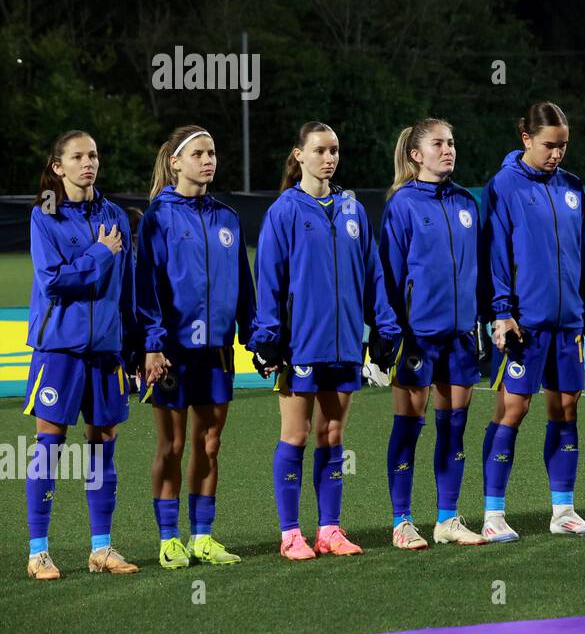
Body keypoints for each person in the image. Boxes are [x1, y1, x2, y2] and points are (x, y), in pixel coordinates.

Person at [251, 121, 402, 560]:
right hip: (301, 345)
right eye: (319, 150)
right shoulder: (284, 211)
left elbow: (373, 274)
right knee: (295, 435)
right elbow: (269, 281)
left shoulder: (352, 209)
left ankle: (330, 530)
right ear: (299, 155)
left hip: (344, 345)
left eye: (334, 150)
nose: (329, 158)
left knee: (333, 435)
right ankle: (290, 534)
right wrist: (267, 338)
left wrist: (385, 328)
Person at [479, 102, 585, 542]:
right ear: (526, 138)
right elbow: (494, 256)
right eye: (549, 145)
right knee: (514, 409)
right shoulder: (503, 187)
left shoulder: (572, 187)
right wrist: (501, 310)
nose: (557, 154)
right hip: (523, 324)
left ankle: (563, 510)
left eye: (563, 146)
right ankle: (493, 514)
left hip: (567, 322)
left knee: (566, 410)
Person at [136, 126, 257, 568]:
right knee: (172, 445)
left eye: (212, 153)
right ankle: (169, 539)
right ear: (176, 162)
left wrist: (255, 334)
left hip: (218, 351)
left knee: (209, 443)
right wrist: (151, 344)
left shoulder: (227, 217)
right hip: (171, 352)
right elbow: (144, 288)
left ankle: (202, 537)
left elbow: (244, 286)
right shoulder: (157, 217)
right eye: (199, 154)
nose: (209, 161)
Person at [24, 130, 139, 579]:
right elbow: (53, 280)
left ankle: (101, 549)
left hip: (106, 352)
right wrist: (99, 252)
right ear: (58, 167)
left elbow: (126, 288)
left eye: (93, 154)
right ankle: (38, 552)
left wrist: (134, 348)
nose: (88, 163)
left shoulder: (114, 215)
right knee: (49, 447)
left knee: (102, 449)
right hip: (60, 351)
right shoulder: (44, 215)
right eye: (77, 157)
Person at [379, 118, 486, 547]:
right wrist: (389, 332)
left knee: (454, 428)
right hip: (416, 336)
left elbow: (478, 270)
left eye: (452, 142)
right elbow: (389, 274)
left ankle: (447, 519)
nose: (449, 150)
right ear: (415, 155)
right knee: (409, 426)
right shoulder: (402, 204)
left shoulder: (465, 201)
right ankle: (402, 521)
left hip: (460, 335)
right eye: (439, 143)